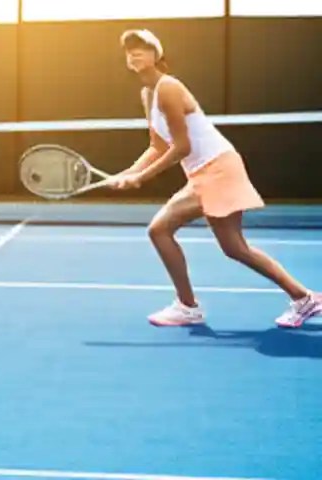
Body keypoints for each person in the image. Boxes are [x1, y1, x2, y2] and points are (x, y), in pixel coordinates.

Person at [109, 29, 319, 328]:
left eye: (141, 48)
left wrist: (141, 177)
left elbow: (182, 146)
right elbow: (157, 146)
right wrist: (128, 173)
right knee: (234, 247)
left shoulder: (168, 87)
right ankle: (303, 298)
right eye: (129, 50)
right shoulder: (147, 95)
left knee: (160, 230)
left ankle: (187, 306)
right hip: (202, 171)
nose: (134, 53)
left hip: (218, 167)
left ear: (157, 55)